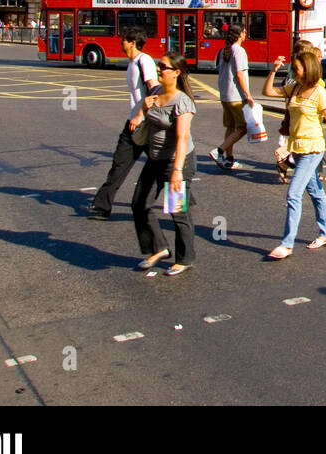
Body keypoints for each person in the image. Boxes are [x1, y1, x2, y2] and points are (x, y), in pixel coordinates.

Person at [263, 49, 326, 259]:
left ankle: (286, 245)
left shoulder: (320, 93)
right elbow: (268, 92)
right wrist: (274, 71)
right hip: (297, 148)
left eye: (296, 69)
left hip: (313, 149)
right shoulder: (294, 88)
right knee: (316, 191)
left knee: (293, 194)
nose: (293, 72)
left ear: (307, 69)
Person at [132, 53, 198, 276]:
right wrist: (143, 109)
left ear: (176, 73)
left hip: (176, 162)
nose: (158, 70)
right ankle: (158, 248)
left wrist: (178, 172)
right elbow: (140, 123)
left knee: (177, 211)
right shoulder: (154, 93)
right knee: (139, 203)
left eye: (163, 67)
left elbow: (181, 138)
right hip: (154, 158)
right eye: (158, 66)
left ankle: (185, 258)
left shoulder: (182, 102)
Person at [88, 27, 160, 219]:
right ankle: (102, 207)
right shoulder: (132, 63)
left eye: (123, 40)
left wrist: (141, 116)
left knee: (165, 167)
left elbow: (154, 90)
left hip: (144, 123)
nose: (121, 43)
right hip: (133, 122)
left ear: (132, 42)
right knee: (120, 163)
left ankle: (183, 201)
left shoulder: (144, 61)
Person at [211, 23, 254, 171]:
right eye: (244, 31)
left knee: (230, 127)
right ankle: (219, 151)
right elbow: (240, 74)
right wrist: (248, 95)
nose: (245, 33)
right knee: (242, 128)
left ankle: (229, 159)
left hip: (225, 94)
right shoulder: (239, 50)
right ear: (241, 34)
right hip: (236, 95)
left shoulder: (224, 50)